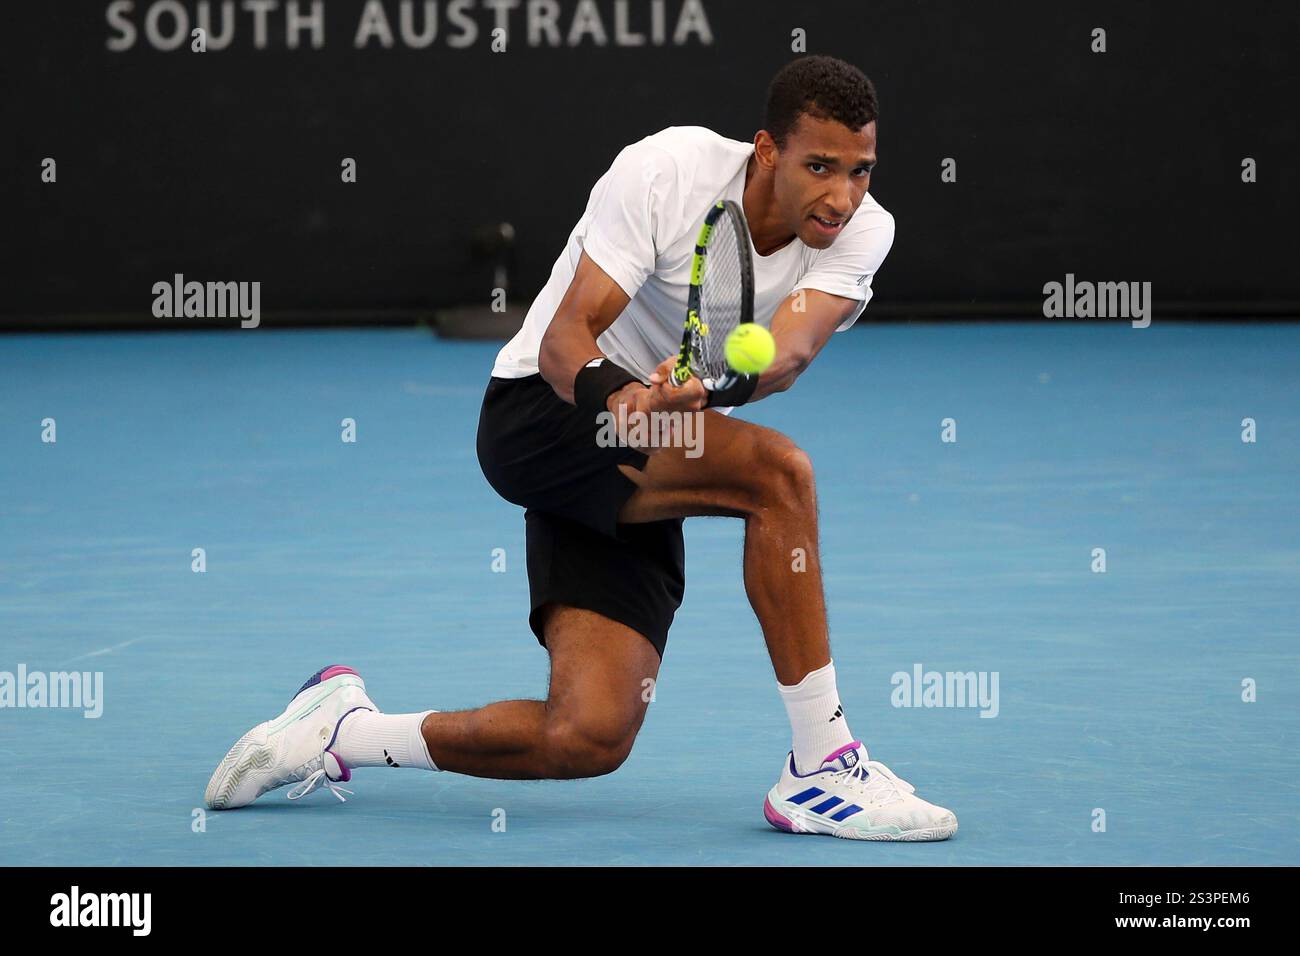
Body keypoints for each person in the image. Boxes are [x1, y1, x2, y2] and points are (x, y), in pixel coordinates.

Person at [206, 55, 957, 841]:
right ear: (766, 151)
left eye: (861, 170)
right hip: (542, 414)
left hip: (651, 444)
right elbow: (569, 336)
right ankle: (823, 766)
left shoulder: (865, 230)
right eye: (820, 167)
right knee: (778, 475)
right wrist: (621, 396)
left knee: (588, 735)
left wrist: (697, 387)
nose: (842, 195)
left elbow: (791, 350)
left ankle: (342, 731)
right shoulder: (667, 170)